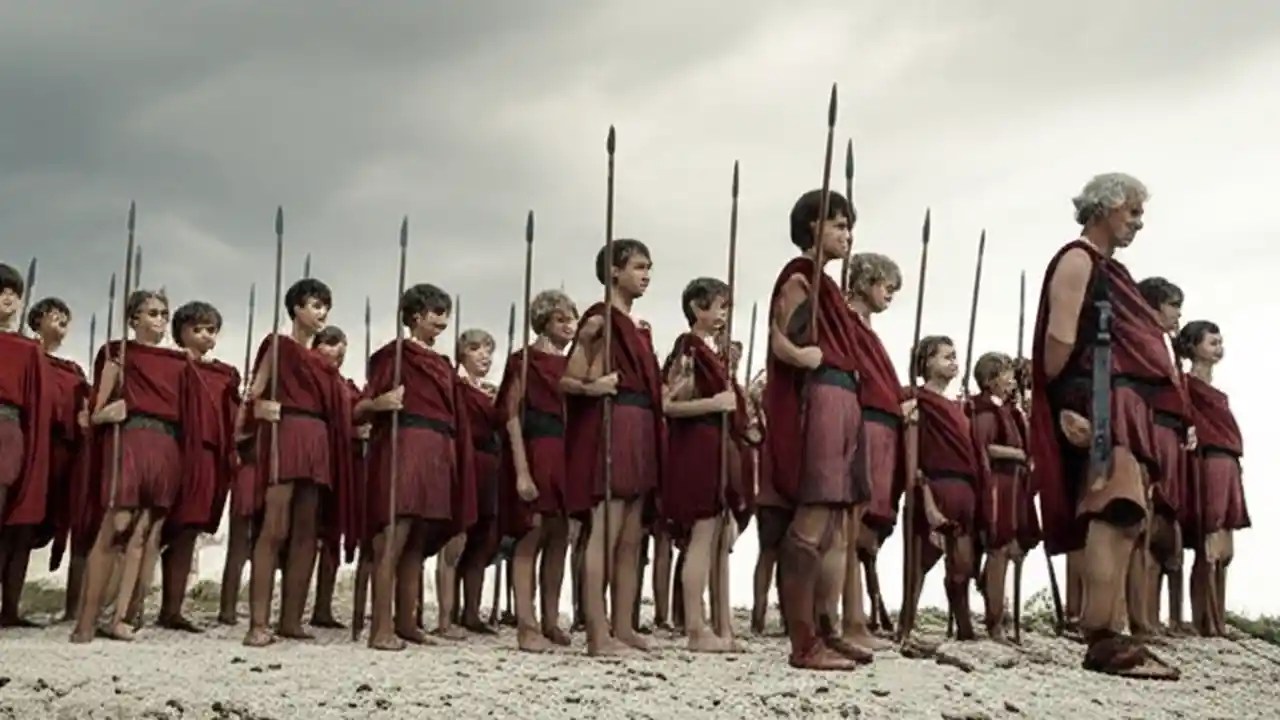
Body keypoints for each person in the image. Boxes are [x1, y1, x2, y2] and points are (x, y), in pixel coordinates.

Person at [1029, 172, 1182, 678]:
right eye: (1132, 212)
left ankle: (1111, 628)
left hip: (1116, 402)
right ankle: (1101, 637)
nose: (1138, 222)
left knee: (1130, 516)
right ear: (1103, 208)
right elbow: (1057, 342)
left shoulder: (1108, 268)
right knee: (1113, 508)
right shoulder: (1078, 260)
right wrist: (1059, 409)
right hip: (1094, 399)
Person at [763, 189, 870, 670]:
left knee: (832, 521)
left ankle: (825, 628)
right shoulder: (798, 275)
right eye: (838, 225)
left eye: (849, 226)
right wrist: (802, 356)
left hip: (843, 396)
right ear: (813, 227)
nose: (847, 235)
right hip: (822, 396)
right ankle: (803, 641)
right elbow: (781, 336)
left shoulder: (825, 284)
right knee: (813, 516)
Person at [72, 290, 195, 643]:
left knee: (143, 531)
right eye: (152, 312)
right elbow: (96, 410)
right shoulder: (119, 353)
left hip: (166, 444)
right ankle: (86, 621)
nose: (160, 319)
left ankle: (120, 618)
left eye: (164, 313)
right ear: (134, 318)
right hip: (132, 439)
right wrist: (108, 412)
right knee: (117, 523)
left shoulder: (179, 362)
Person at [561, 238, 665, 656]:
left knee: (631, 536)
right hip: (614, 422)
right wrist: (594, 383)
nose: (646, 275)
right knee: (606, 529)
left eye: (649, 267)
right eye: (639, 266)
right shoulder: (599, 318)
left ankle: (624, 625)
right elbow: (568, 379)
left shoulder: (638, 327)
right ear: (615, 270)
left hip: (640, 423)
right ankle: (598, 633)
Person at [358, 283, 475, 650]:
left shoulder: (442, 364)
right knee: (395, 534)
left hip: (439, 447)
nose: (441, 319)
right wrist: (382, 403)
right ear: (414, 316)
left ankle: (407, 622)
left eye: (445, 313)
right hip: (406, 443)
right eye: (434, 312)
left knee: (418, 539)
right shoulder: (392, 355)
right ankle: (380, 628)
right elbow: (363, 406)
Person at [241, 279, 355, 647]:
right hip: (286, 433)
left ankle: (291, 620)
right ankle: (258, 623)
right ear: (296, 308)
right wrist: (259, 408)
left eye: (325, 306)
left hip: (317, 439)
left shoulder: (324, 365)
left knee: (308, 532)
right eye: (314, 304)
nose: (321, 312)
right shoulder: (278, 346)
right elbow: (253, 393)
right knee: (274, 526)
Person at [660, 277, 744, 653]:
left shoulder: (712, 352)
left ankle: (718, 626)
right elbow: (667, 403)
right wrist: (715, 404)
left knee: (716, 537)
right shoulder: (688, 347)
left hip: (715, 445)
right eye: (720, 305)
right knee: (702, 535)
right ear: (698, 307)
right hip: (696, 446)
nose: (725, 313)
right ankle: (696, 627)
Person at [496, 288, 577, 652]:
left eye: (571, 318)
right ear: (544, 322)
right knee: (532, 535)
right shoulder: (524, 361)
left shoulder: (575, 363)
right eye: (561, 319)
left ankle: (550, 619)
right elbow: (510, 416)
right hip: (536, 447)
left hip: (568, 451)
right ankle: (526, 624)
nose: (569, 325)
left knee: (560, 536)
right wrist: (521, 471)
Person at [152, 301, 240, 633]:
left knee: (189, 529)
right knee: (155, 527)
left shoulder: (223, 373)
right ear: (181, 334)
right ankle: (127, 606)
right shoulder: (169, 365)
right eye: (197, 329)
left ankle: (172, 609)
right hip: (174, 449)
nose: (205, 335)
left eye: (210, 330)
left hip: (208, 454)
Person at [841, 252, 909, 646]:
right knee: (852, 518)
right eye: (886, 287)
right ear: (865, 281)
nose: (890, 296)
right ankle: (850, 620)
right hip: (863, 422)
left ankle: (859, 617)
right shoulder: (847, 322)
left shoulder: (867, 328)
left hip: (884, 425)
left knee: (869, 522)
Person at [905, 336, 982, 642]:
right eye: (945, 356)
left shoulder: (959, 407)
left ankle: (964, 627)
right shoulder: (916, 399)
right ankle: (907, 623)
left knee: (962, 563)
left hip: (963, 485)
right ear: (926, 363)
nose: (954, 361)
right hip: (934, 482)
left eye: (955, 356)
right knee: (920, 560)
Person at [1177, 320, 1248, 637]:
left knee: (1225, 548)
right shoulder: (1185, 385)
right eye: (1212, 342)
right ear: (1193, 347)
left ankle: (1218, 617)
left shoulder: (1216, 392)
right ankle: (1204, 619)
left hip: (1228, 461)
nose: (1218, 348)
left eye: (1220, 342)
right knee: (1209, 541)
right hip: (1207, 460)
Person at [1136, 277, 1194, 635]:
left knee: (1166, 524)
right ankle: (1140, 614)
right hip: (1153, 429)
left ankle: (1157, 616)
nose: (1177, 313)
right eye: (1172, 305)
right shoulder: (1143, 341)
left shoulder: (1167, 345)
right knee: (1147, 518)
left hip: (1172, 433)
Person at [968, 351, 1029, 642]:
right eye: (1006, 374)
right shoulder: (984, 409)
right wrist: (1018, 454)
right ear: (991, 379)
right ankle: (994, 621)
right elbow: (984, 446)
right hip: (998, 484)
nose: (1012, 379)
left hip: (1015, 485)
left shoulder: (1008, 409)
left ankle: (997, 604)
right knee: (999, 548)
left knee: (1014, 547)